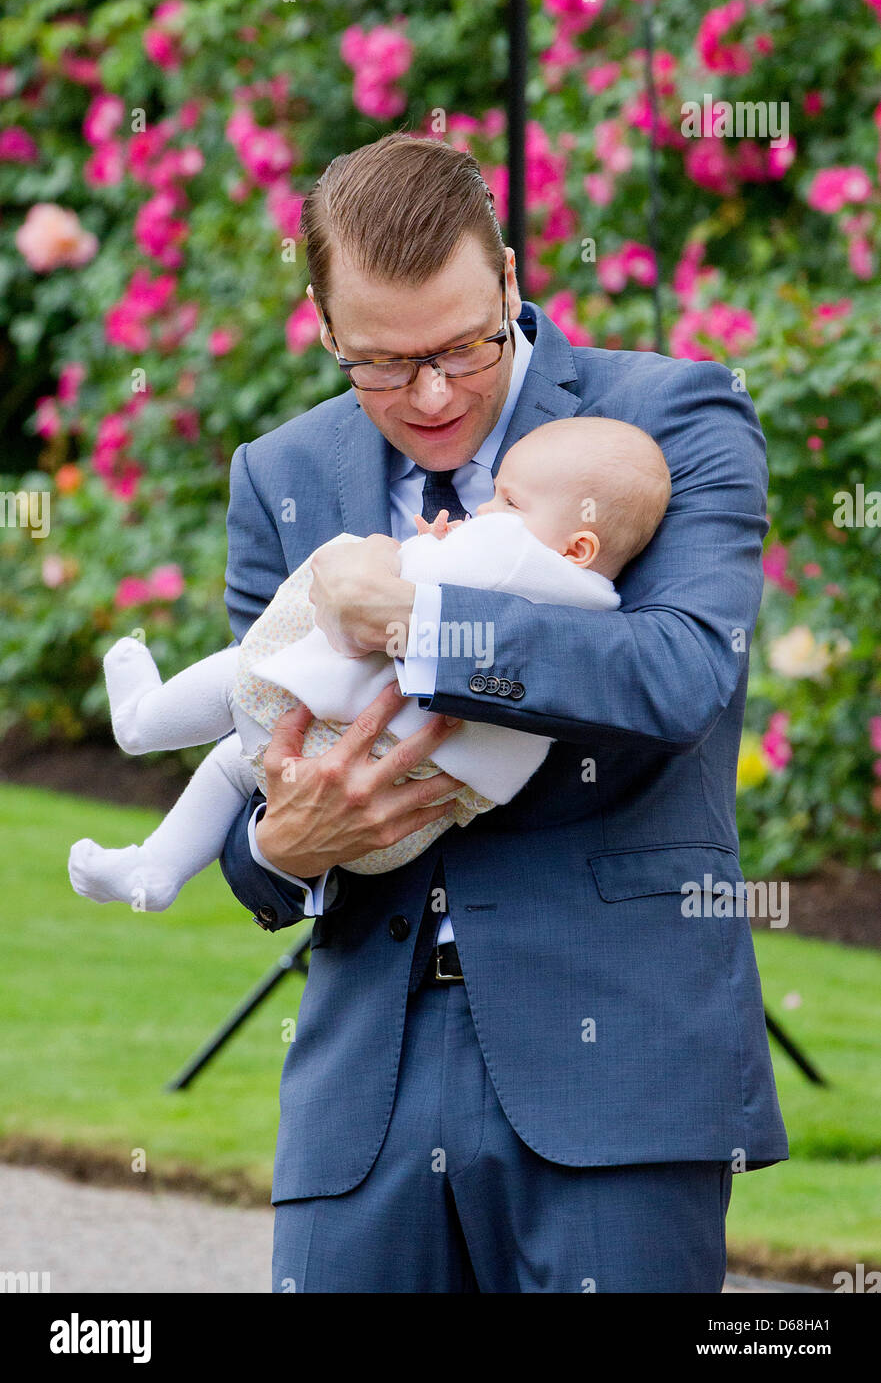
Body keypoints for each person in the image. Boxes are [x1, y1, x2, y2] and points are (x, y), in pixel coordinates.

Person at [219, 131, 788, 1293]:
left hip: (613, 1073)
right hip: (358, 1095)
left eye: (462, 347)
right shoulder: (278, 469)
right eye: (381, 363)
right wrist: (281, 846)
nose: (430, 393)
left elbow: (680, 672)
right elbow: (251, 770)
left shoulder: (670, 419)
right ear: (325, 330)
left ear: (513, 283)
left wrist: (424, 631)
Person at [67, 416, 667, 907]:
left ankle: (143, 730)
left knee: (241, 679)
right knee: (235, 764)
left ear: (578, 545)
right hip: (403, 827)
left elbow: (419, 581)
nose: (486, 512)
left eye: (508, 501)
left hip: (340, 763)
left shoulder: (513, 551)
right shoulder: (600, 607)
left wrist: (390, 555)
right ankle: (154, 872)